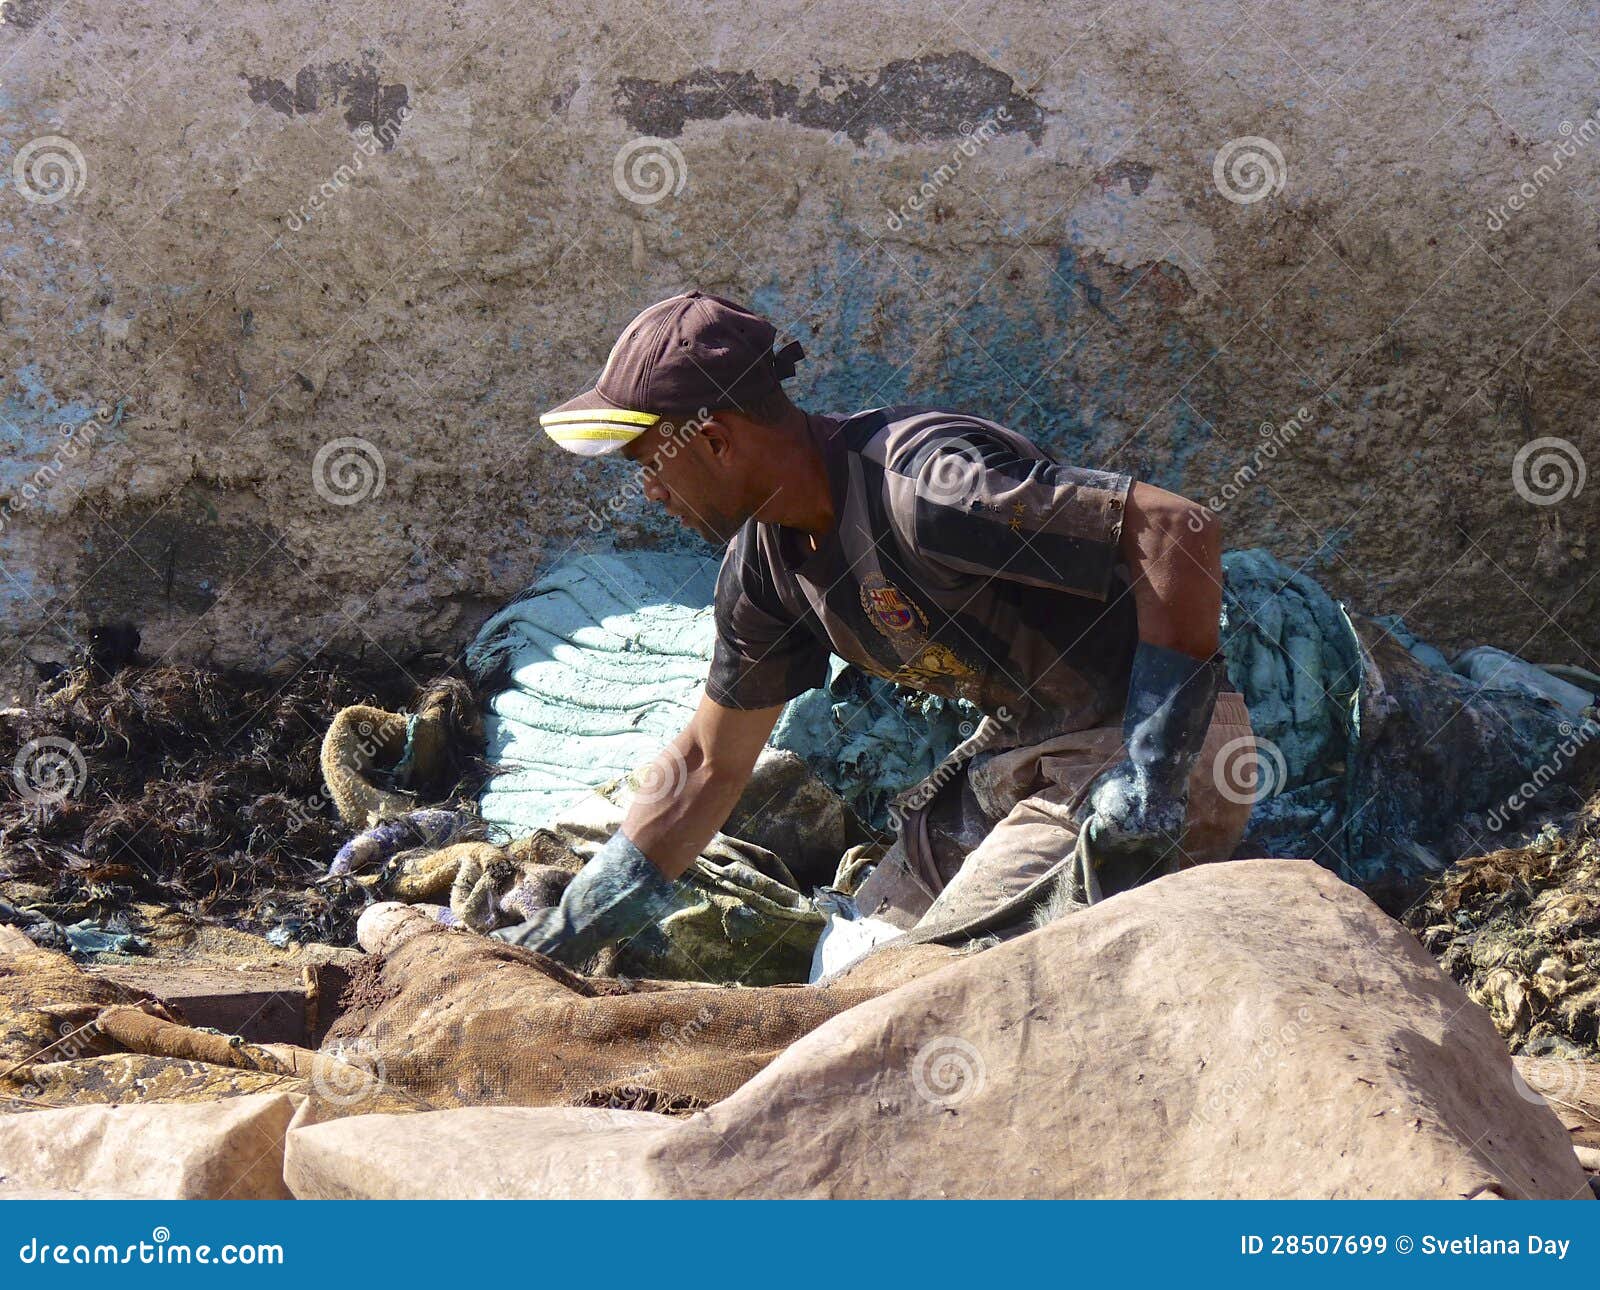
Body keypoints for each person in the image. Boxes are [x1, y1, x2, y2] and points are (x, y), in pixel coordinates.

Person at [498, 290, 1254, 965]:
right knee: (849, 963)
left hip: (1148, 746)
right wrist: (573, 924)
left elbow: (1175, 527)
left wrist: (1153, 775)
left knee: (926, 986)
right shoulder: (764, 567)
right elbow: (707, 764)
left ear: (717, 441)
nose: (650, 490)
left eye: (649, 461)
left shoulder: (925, 488)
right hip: (1017, 750)